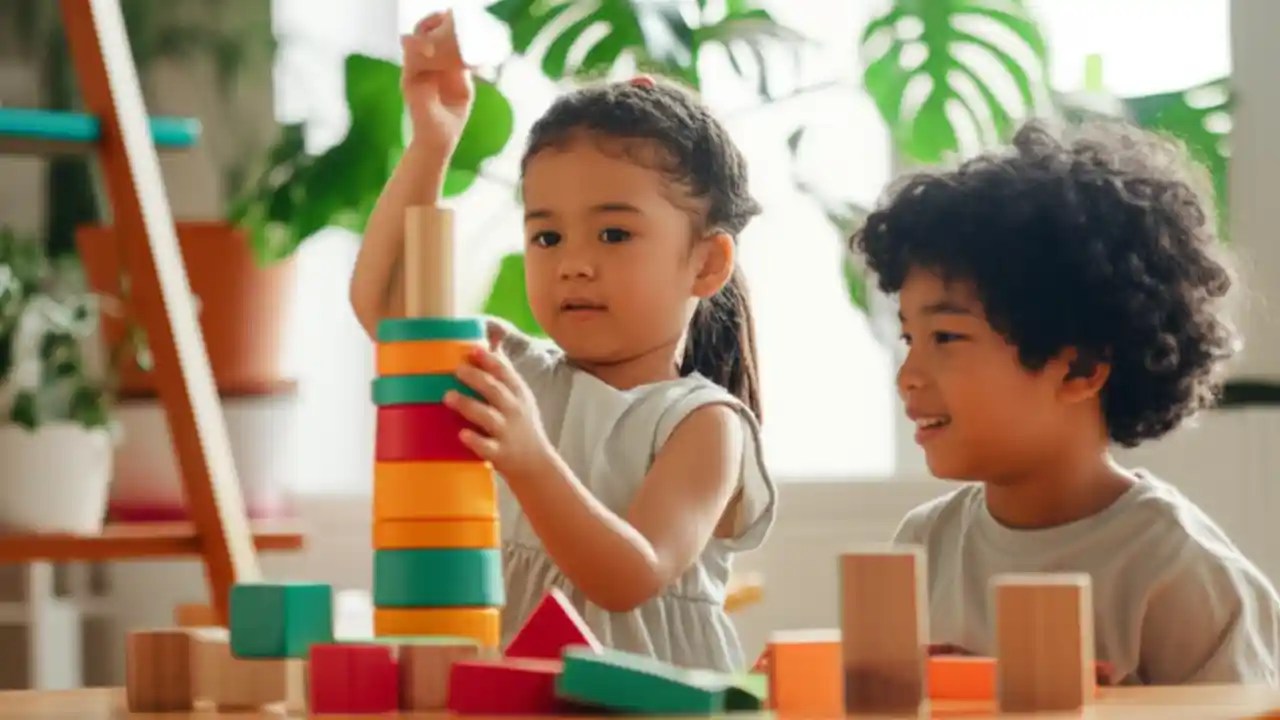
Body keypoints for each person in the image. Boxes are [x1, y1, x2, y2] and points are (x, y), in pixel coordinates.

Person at [349, 13, 775, 672]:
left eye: (612, 235)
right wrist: (433, 141)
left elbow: (629, 577)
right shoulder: (516, 373)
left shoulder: (705, 424)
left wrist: (530, 458)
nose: (573, 263)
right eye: (547, 237)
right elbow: (385, 308)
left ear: (706, 264)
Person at [853, 119, 1280, 686]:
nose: (908, 376)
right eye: (910, 338)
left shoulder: (1180, 572)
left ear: (1078, 368)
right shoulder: (923, 545)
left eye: (947, 338)